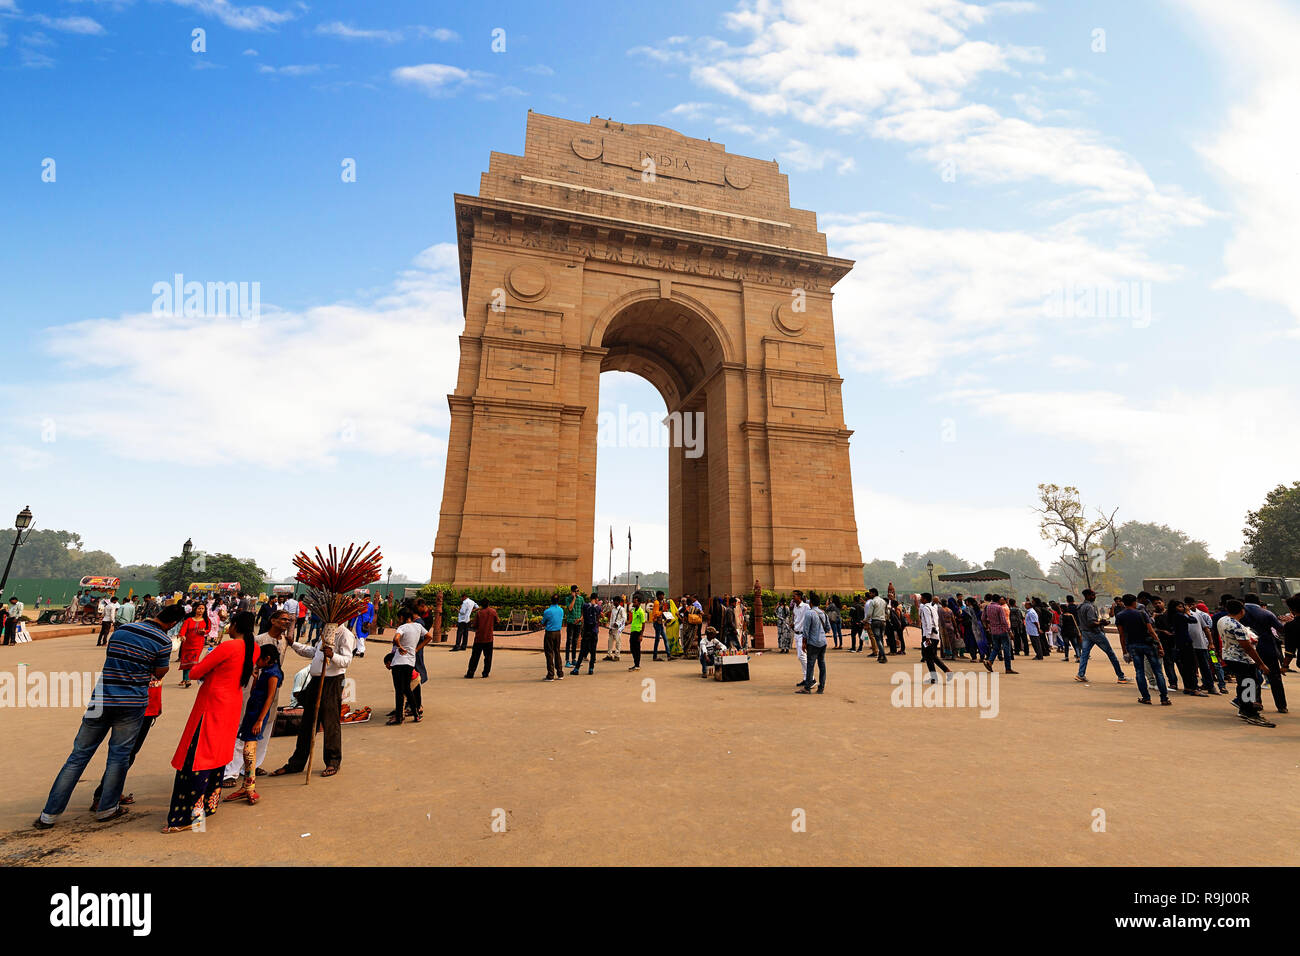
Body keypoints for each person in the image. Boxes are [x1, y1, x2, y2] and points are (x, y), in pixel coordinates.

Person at [35, 604, 183, 829]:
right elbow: (160, 672)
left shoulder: (122, 631)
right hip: (132, 703)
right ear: (172, 623)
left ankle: (49, 814)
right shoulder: (163, 641)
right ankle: (106, 809)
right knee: (119, 757)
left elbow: (112, 657)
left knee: (77, 757)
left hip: (102, 699)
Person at [163, 610, 256, 832]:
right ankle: (208, 804)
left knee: (197, 758)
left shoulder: (228, 647)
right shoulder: (253, 649)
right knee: (217, 754)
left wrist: (210, 664)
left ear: (235, 625)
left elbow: (195, 672)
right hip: (231, 705)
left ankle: (187, 817)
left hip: (212, 706)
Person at [270, 619, 357, 778]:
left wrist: (333, 655)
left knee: (330, 722)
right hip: (316, 680)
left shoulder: (345, 635)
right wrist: (294, 644)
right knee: (307, 723)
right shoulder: (326, 631)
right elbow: (314, 653)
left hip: (331, 681)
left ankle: (333, 761)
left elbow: (347, 660)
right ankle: (296, 763)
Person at [221, 608, 294, 782]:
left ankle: (252, 764)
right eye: (283, 619)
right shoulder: (258, 640)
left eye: (288, 620)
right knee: (243, 727)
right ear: (273, 621)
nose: (286, 622)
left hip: (272, 688)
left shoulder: (285, 641)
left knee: (265, 727)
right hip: (253, 689)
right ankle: (230, 770)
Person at [224, 644, 282, 805]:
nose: (256, 662)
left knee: (249, 748)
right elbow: (257, 692)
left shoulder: (273, 674)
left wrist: (260, 720)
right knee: (247, 747)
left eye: (258, 659)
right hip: (252, 711)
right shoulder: (266, 671)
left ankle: (249, 786)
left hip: (258, 714)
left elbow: (269, 698)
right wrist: (255, 678)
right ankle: (247, 785)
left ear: (267, 659)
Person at [1217, 599, 1274, 727]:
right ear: (1242, 611)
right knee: (1250, 684)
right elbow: (1247, 648)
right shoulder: (1238, 627)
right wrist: (1261, 664)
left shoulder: (1222, 620)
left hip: (1229, 656)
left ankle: (1244, 708)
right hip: (1242, 659)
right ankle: (1250, 712)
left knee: (1243, 683)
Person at [1115, 594, 1170, 706]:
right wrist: (1160, 646)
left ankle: (1146, 697)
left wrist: (1124, 651)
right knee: (1158, 672)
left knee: (1139, 672)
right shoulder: (1141, 613)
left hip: (1133, 646)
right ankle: (1164, 698)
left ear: (1124, 603)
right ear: (1135, 602)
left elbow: (1121, 635)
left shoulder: (1120, 616)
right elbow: (1151, 631)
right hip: (1148, 644)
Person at [1241, 593, 1287, 713]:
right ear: (1259, 601)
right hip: (1267, 648)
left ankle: (1253, 703)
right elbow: (1280, 629)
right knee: (1275, 678)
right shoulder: (1267, 613)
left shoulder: (1240, 613)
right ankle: (1281, 705)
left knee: (1250, 677)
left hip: (1247, 648)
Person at [1074, 588, 1128, 684]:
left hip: (1086, 633)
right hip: (1095, 633)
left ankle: (1080, 674)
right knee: (1111, 654)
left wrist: (1100, 622)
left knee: (1084, 655)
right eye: (1093, 595)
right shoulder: (1090, 607)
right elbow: (1091, 622)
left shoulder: (1080, 606)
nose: (1094, 597)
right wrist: (1101, 623)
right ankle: (1121, 676)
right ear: (1088, 596)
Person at [388, 606, 428, 722]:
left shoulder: (402, 627)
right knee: (407, 689)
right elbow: (429, 637)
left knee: (399, 690)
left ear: (402, 617)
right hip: (410, 662)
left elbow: (396, 638)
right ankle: (416, 714)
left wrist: (399, 647)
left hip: (398, 662)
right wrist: (417, 648)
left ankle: (399, 717)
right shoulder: (418, 626)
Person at [797, 594, 827, 694]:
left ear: (811, 603)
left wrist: (804, 643)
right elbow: (828, 628)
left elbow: (805, 630)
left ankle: (807, 687)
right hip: (823, 642)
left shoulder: (809, 613)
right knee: (821, 664)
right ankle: (821, 687)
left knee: (810, 665)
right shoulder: (823, 613)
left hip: (813, 643)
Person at [177, 603, 208, 688]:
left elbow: (208, 629)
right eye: (199, 608)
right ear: (195, 609)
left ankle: (188, 679)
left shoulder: (206, 620)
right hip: (187, 643)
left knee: (193, 661)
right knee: (186, 660)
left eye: (202, 609)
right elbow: (183, 629)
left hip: (198, 643)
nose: (200, 610)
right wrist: (182, 635)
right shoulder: (189, 620)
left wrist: (205, 632)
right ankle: (185, 678)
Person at [468, 602, 499, 678]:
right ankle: (485, 673)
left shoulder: (479, 613)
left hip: (479, 638)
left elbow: (475, 625)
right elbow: (497, 621)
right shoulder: (493, 611)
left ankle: (471, 673)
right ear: (488, 604)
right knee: (488, 657)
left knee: (475, 657)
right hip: (489, 637)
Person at [571, 596, 599, 675]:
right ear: (595, 599)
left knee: (582, 651)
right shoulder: (598, 607)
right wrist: (593, 605)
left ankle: (576, 669)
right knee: (593, 651)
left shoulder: (586, 606)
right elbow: (598, 611)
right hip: (594, 632)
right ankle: (591, 669)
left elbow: (584, 610)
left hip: (587, 632)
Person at [541, 594, 565, 681]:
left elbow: (543, 622)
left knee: (549, 653)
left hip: (550, 633)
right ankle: (560, 673)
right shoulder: (561, 610)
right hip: (558, 633)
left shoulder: (547, 611)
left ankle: (550, 675)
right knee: (557, 652)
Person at [563, 585, 583, 666]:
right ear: (572, 592)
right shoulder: (568, 599)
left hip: (578, 623)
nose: (577, 593)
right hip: (571, 622)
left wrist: (580, 619)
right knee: (569, 641)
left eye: (577, 591)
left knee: (575, 641)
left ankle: (574, 659)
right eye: (575, 591)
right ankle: (567, 660)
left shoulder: (581, 599)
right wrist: (574, 598)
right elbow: (570, 608)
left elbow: (583, 610)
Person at [627, 596, 646, 671]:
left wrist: (641, 635)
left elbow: (643, 623)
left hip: (638, 632)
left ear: (639, 603)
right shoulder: (634, 610)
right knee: (632, 648)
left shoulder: (641, 612)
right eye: (633, 602)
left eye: (635, 602)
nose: (633, 603)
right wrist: (626, 623)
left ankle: (637, 665)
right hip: (633, 631)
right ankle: (635, 664)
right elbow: (632, 621)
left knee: (637, 649)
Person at [650, 590, 670, 661]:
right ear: (659, 596)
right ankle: (655, 656)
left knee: (665, 639)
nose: (663, 596)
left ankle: (669, 655)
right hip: (657, 623)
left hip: (660, 623)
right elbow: (655, 613)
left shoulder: (660, 603)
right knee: (657, 640)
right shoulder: (656, 603)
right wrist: (662, 612)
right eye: (662, 595)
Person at [605, 595, 626, 662]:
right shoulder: (613, 609)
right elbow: (611, 619)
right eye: (614, 601)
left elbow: (624, 618)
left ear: (619, 602)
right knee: (610, 641)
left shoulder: (622, 609)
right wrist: (610, 627)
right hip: (612, 628)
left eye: (615, 601)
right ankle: (609, 655)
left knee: (618, 642)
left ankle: (617, 655)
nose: (614, 602)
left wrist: (618, 623)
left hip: (618, 629)